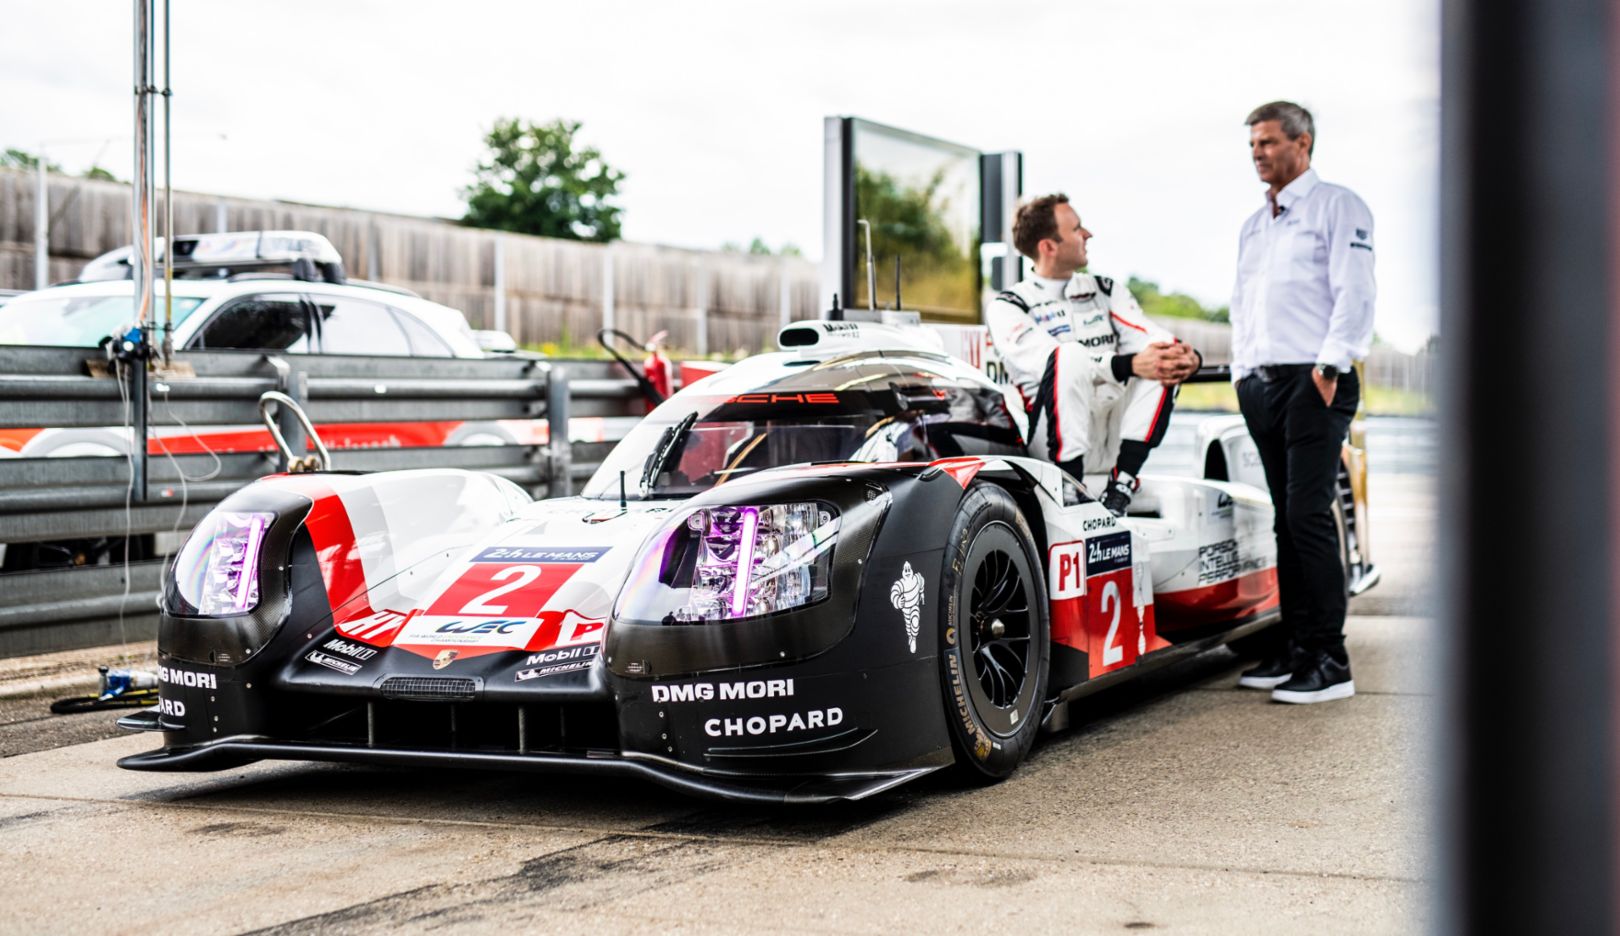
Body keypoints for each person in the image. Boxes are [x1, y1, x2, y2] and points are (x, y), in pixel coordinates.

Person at [1230, 101, 1375, 704]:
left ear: (1302, 142)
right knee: (1285, 518)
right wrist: (1242, 373)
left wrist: (1329, 364)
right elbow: (1243, 305)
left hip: (1315, 379)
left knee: (1308, 514)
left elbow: (1356, 291)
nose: (1258, 154)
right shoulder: (1254, 224)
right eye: (1252, 145)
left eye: (1266, 142)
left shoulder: (1337, 206)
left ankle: (1329, 659)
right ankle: (1295, 645)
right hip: (1262, 383)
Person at [986, 194, 1200, 516]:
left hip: (1112, 438)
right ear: (1049, 246)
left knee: (1162, 354)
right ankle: (1069, 486)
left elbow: (1147, 335)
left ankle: (1123, 484)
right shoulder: (1008, 306)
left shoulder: (1104, 288)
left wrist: (1187, 355)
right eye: (1076, 229)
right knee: (1068, 357)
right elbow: (1052, 360)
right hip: (1051, 446)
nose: (1088, 234)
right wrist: (1125, 365)